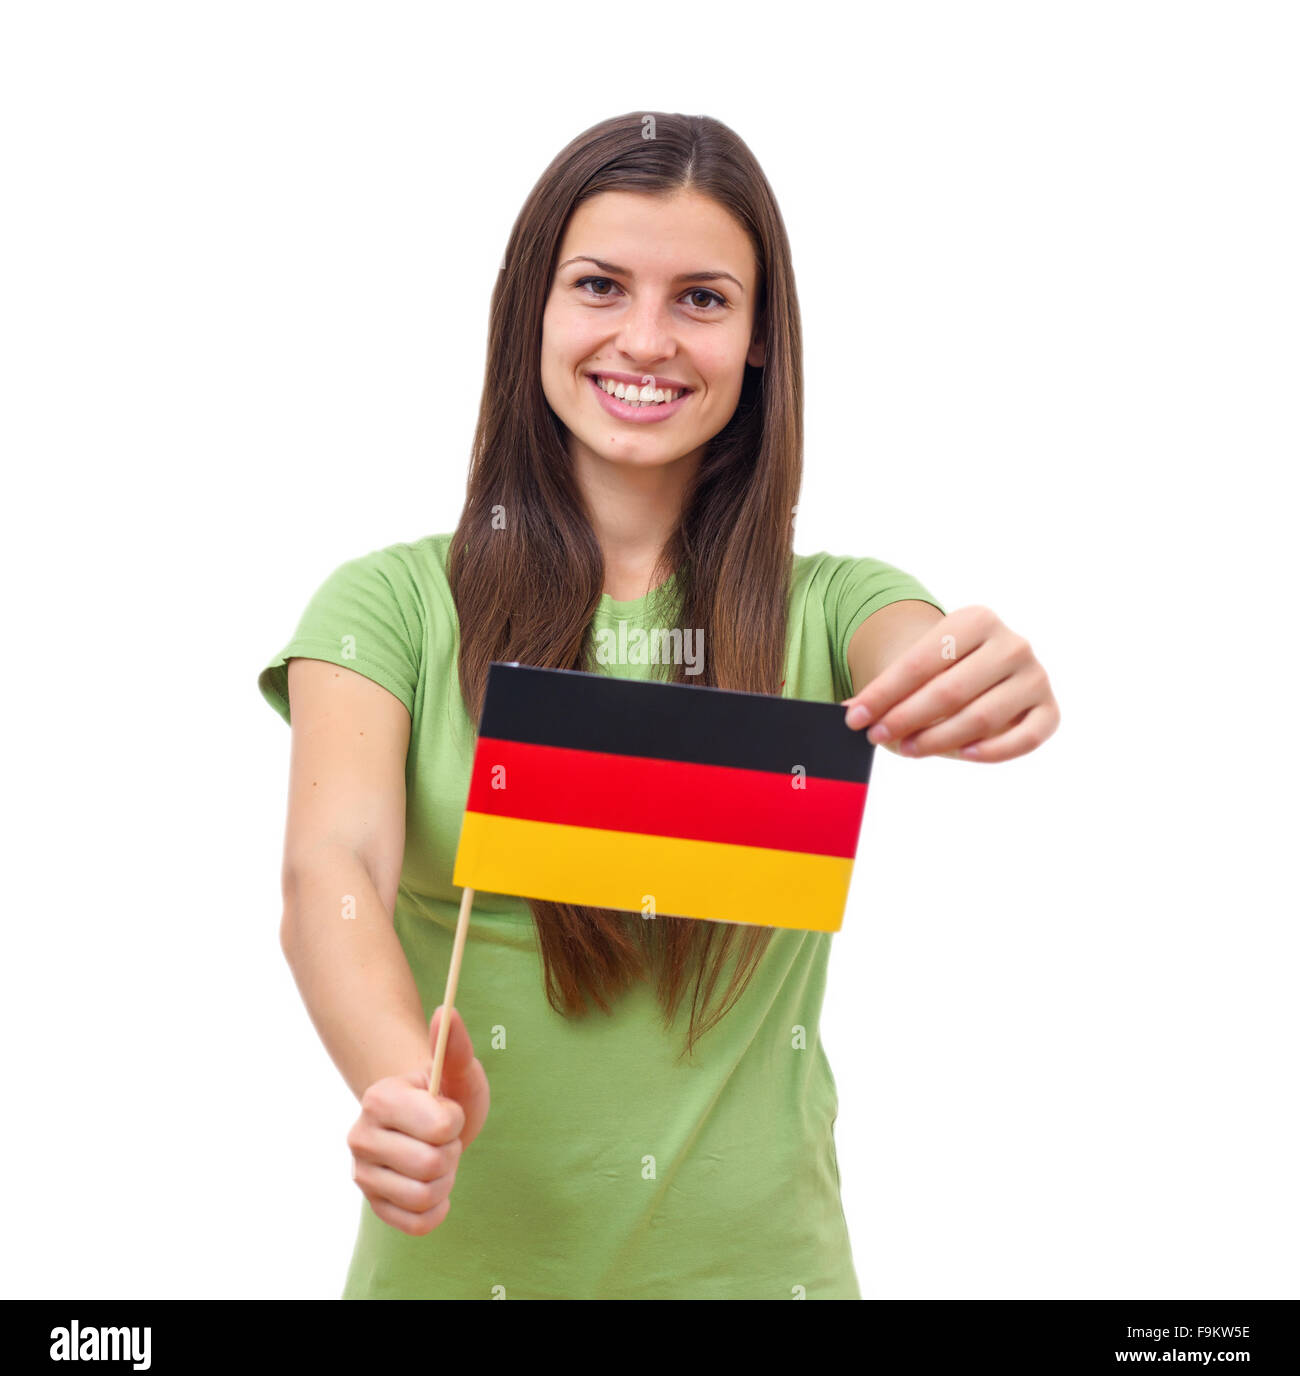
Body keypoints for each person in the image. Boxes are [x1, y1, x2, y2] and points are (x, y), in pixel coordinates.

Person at [257, 111, 1060, 1300]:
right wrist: (402, 1086)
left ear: (757, 343)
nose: (645, 337)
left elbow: (918, 647)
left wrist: (970, 669)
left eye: (700, 298)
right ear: (530, 308)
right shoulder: (389, 603)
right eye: (598, 285)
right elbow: (331, 873)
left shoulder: (835, 609)